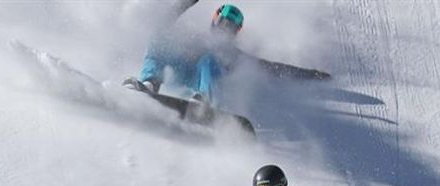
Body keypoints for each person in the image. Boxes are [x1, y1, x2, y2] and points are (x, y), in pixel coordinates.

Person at [124, 2, 330, 111]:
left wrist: (311, 74)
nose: (225, 29)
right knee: (159, 39)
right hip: (175, 74)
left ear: (236, 31)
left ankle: (202, 101)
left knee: (211, 59)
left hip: (203, 85)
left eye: (231, 27)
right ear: (215, 20)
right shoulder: (194, 35)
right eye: (223, 23)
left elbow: (270, 68)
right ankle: (149, 83)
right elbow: (164, 21)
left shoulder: (231, 55)